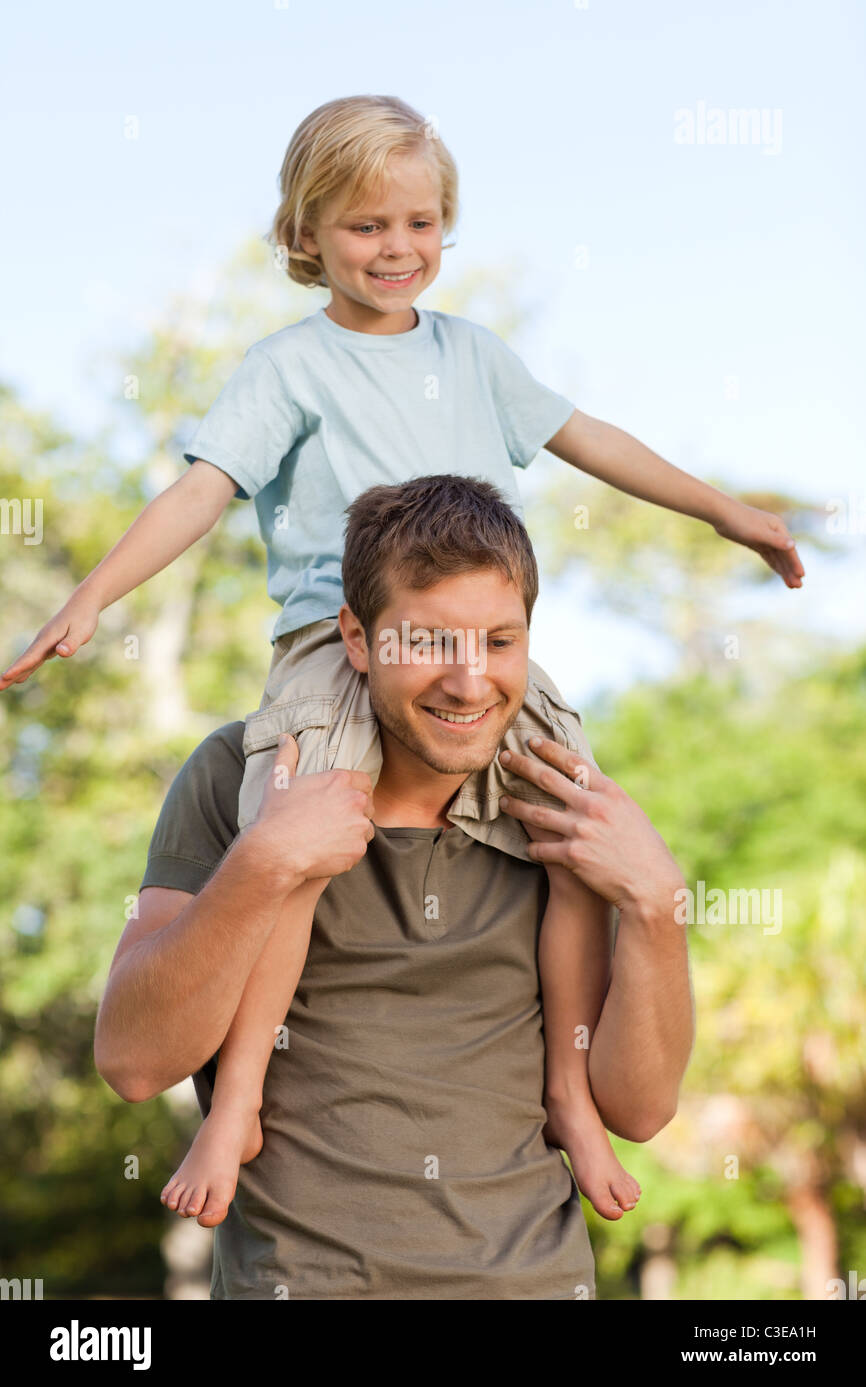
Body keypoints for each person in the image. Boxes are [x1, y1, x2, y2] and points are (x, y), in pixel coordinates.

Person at [4, 95, 800, 1226]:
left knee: (570, 828)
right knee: (294, 837)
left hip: (464, 650)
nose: (397, 249)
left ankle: (568, 1095)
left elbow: (593, 439)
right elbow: (200, 489)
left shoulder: (473, 356)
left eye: (420, 224)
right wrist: (92, 593)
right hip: (337, 646)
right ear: (307, 233)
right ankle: (237, 1101)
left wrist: (726, 511)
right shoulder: (288, 366)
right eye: (365, 226)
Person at [94, 475, 694, 1300]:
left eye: (500, 641)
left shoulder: (554, 807)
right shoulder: (240, 775)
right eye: (428, 642)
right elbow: (132, 1062)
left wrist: (659, 904)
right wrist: (266, 862)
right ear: (357, 637)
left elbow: (642, 1109)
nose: (470, 682)